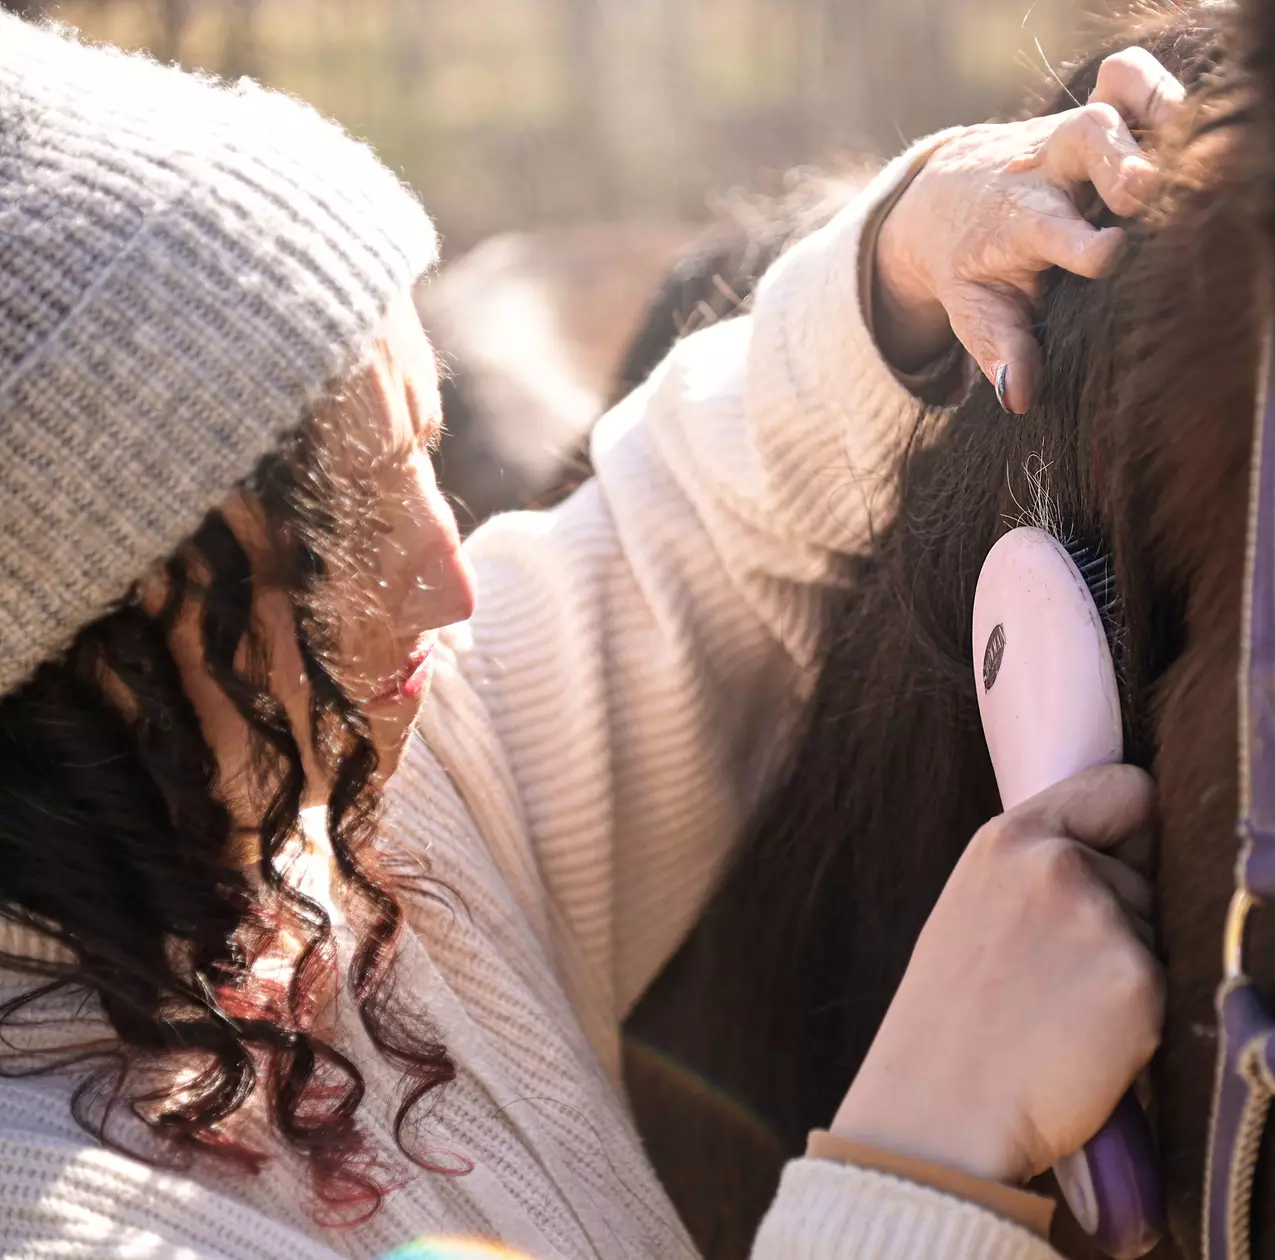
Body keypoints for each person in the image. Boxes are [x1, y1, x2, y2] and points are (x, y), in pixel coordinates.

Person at [0, 15, 1187, 1260]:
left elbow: (685, 532)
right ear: (80, 636)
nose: (449, 586)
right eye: (338, 531)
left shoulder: (329, 809)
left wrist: (903, 267)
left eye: (422, 455)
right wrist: (925, 1153)